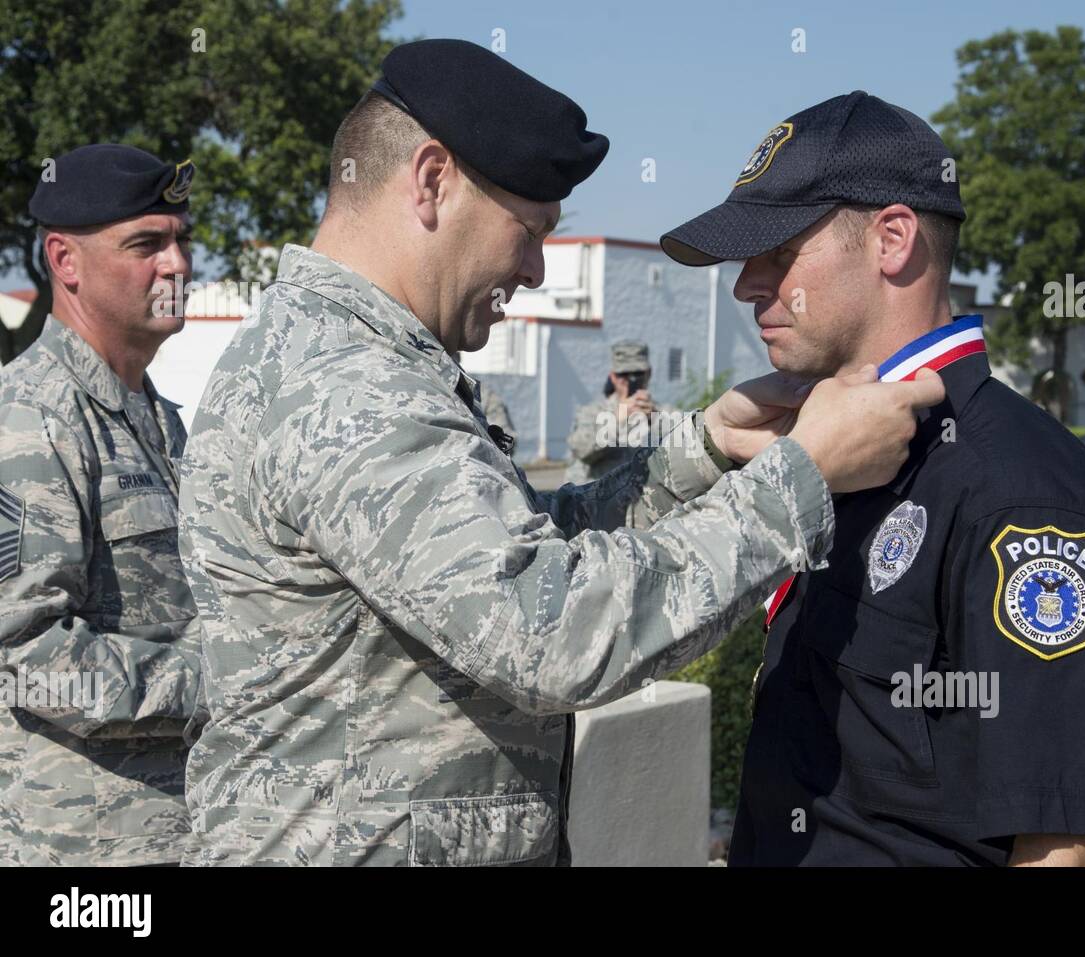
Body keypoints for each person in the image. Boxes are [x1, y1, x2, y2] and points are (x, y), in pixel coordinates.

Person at [177, 40, 944, 866]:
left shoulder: (359, 362)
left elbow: (520, 548)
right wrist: (796, 482)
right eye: (530, 229)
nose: (538, 270)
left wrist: (706, 450)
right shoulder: (348, 387)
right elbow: (549, 633)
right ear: (431, 180)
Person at [661, 91, 1085, 866]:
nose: (747, 285)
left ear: (892, 239)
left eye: (778, 250)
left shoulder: (1024, 493)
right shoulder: (825, 453)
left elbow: (1076, 852)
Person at [0, 144, 205, 866]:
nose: (177, 266)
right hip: (83, 859)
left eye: (182, 241)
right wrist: (220, 677)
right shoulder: (32, 417)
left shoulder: (156, 418)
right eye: (146, 244)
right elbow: (24, 654)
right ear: (66, 261)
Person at [566, 340, 677, 483]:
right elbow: (582, 450)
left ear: (649, 373)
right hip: (598, 500)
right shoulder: (592, 412)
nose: (630, 379)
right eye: (623, 374)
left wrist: (654, 419)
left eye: (637, 373)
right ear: (613, 377)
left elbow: (687, 451)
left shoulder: (665, 412)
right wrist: (615, 420)